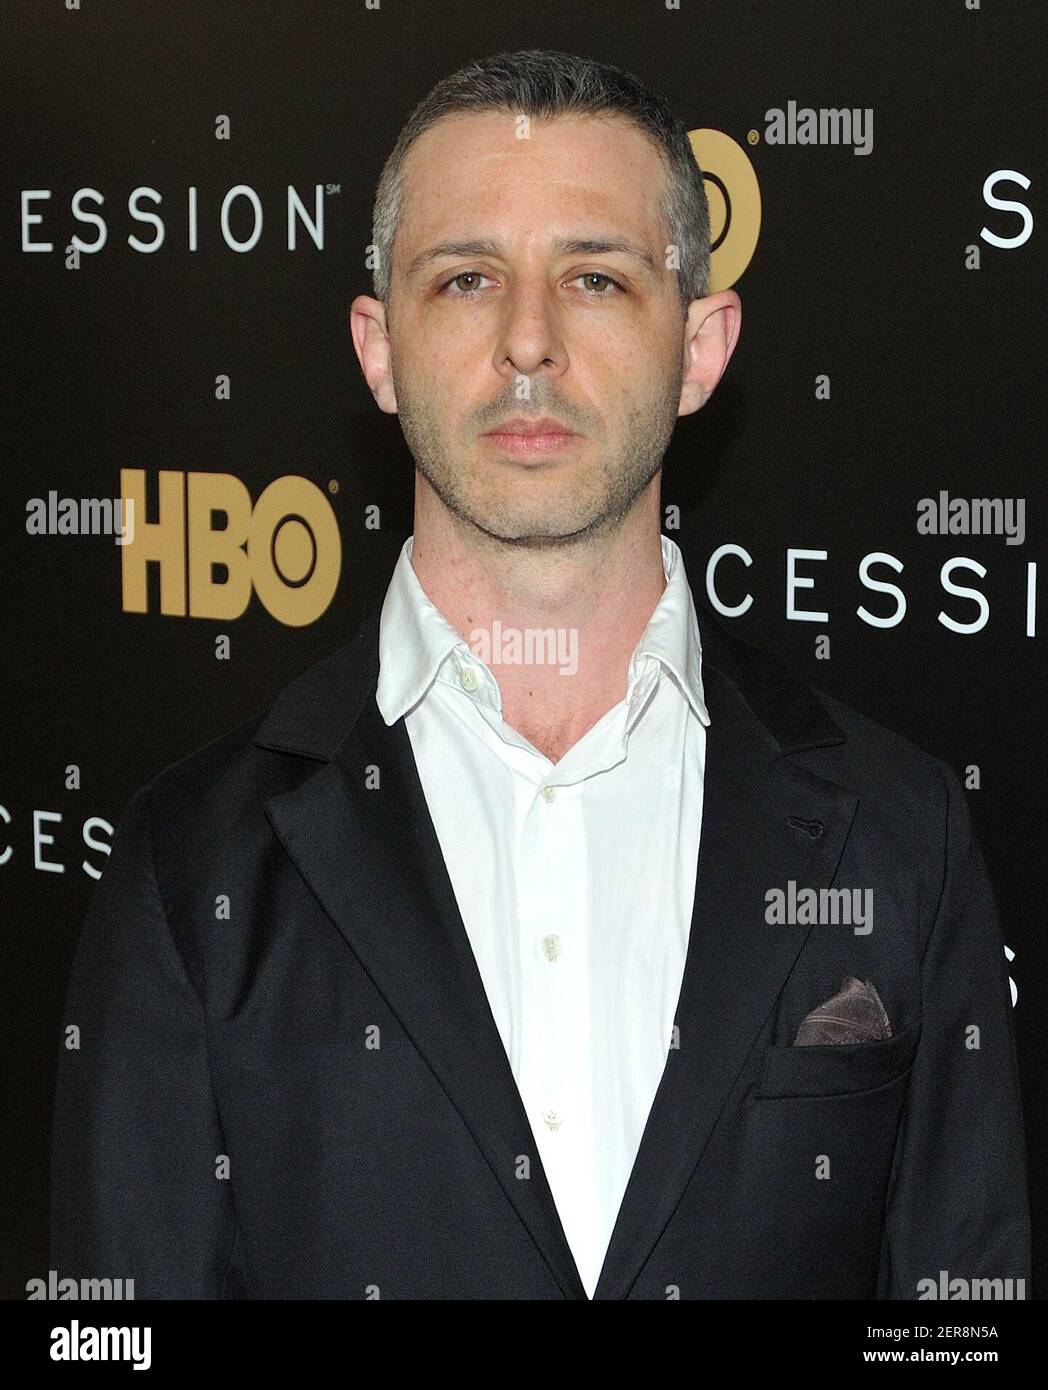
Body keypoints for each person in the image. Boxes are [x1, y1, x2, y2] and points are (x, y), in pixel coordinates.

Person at [51, 48, 1030, 1300]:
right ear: (379, 349)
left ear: (699, 345)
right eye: (465, 279)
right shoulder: (192, 867)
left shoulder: (901, 835)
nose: (527, 342)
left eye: (596, 278)